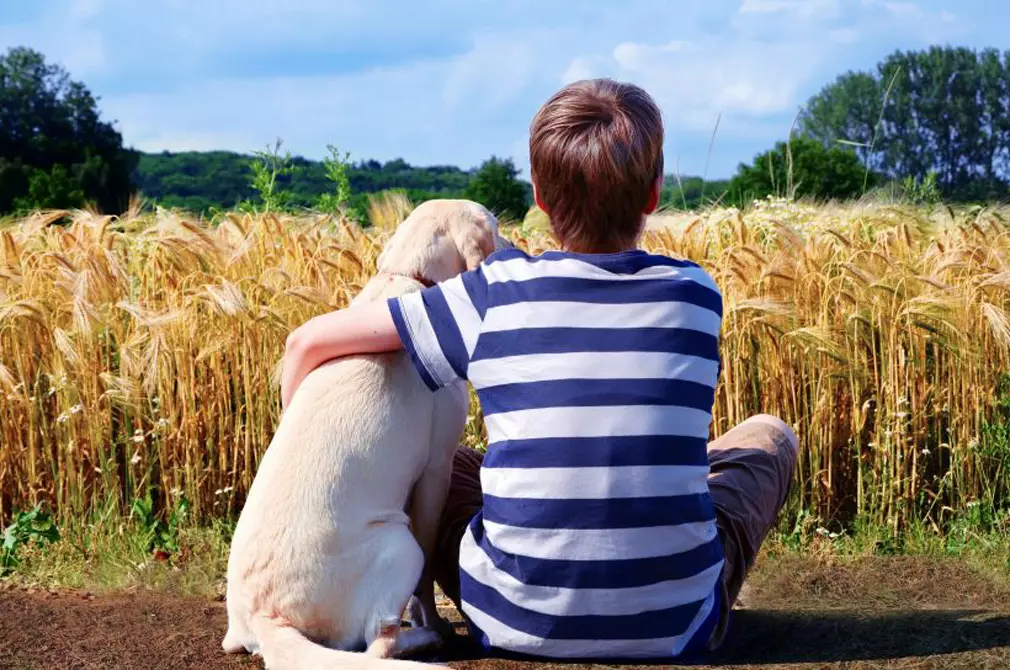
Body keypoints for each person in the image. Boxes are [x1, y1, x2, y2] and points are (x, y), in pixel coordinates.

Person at [279, 78, 798, 662]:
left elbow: (307, 343)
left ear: (539, 197)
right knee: (768, 436)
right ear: (653, 194)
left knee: (440, 461)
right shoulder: (697, 293)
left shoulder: (495, 292)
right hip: (678, 623)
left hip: (509, 618)